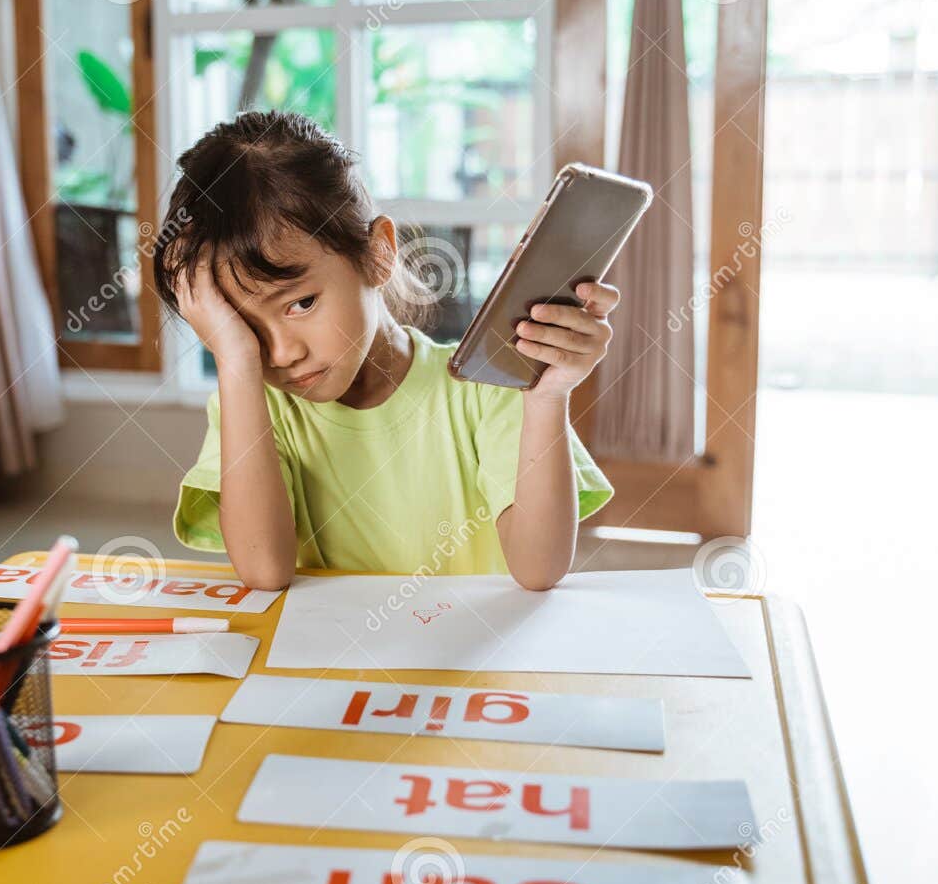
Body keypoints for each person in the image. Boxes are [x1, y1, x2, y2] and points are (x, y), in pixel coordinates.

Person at [155, 110, 617, 591]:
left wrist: (546, 399)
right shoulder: (253, 403)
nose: (281, 353)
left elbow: (538, 569)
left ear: (378, 253)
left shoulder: (487, 386)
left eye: (301, 303)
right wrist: (234, 364)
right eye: (243, 327)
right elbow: (264, 571)